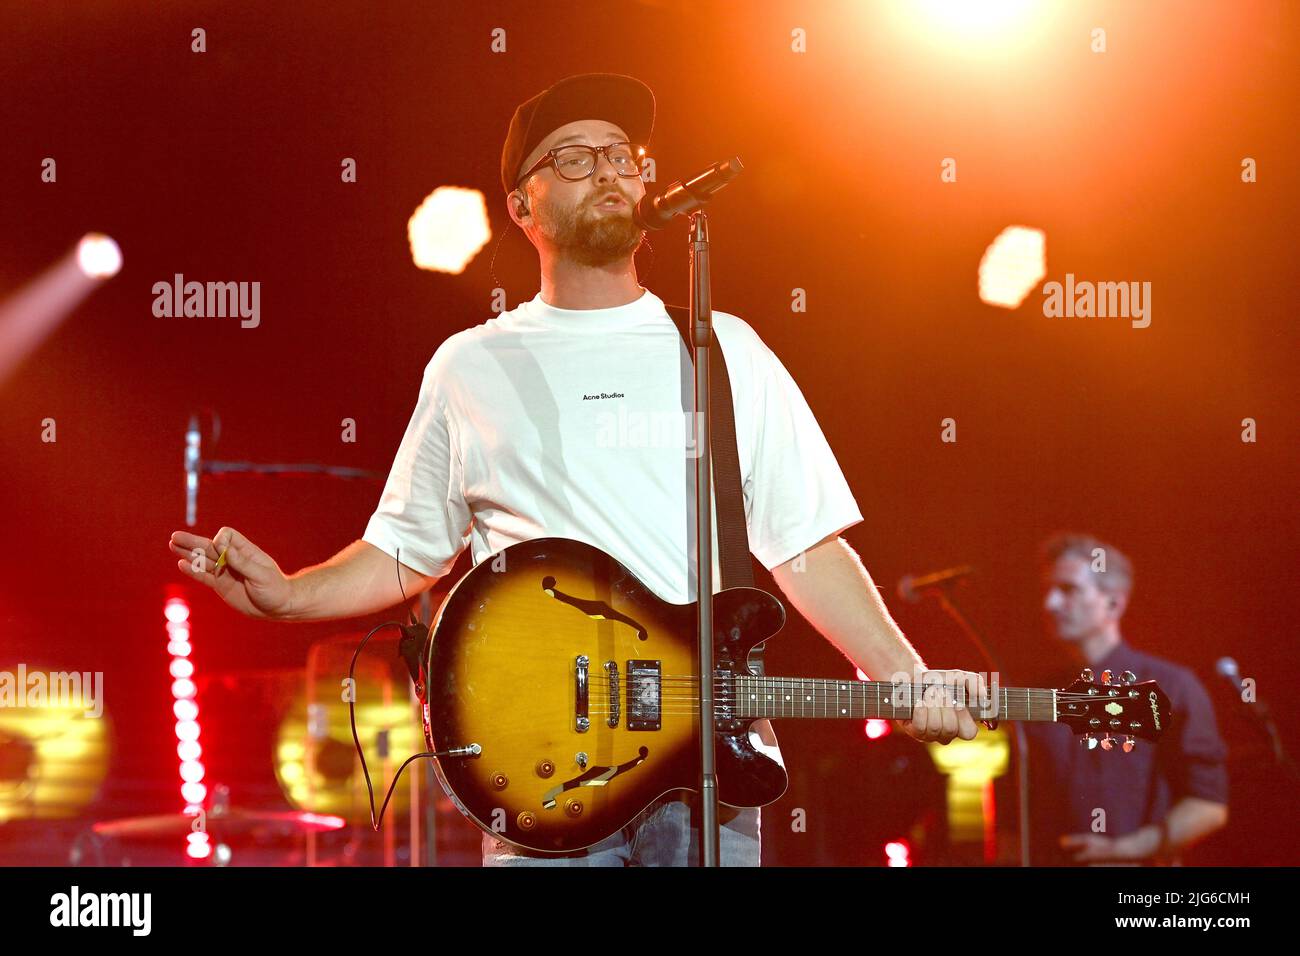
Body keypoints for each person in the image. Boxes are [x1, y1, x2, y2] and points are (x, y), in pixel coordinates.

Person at [169, 72, 986, 866]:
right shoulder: (471, 365)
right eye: (573, 156)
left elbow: (804, 546)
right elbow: (406, 553)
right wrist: (289, 595)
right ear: (522, 206)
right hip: (542, 777)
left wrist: (906, 680)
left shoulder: (725, 350)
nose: (606, 169)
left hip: (707, 775)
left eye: (623, 153)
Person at [1026, 532, 1229, 864]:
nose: (1050, 604)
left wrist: (1129, 849)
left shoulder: (1172, 686)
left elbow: (1209, 804)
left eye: (1068, 590)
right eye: (1048, 591)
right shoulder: (1039, 692)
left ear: (1114, 603)